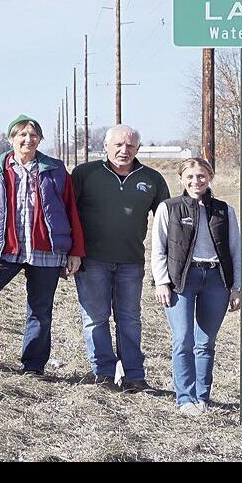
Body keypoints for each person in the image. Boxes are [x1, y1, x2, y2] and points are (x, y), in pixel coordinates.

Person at [0, 115, 85, 375]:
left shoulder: (55, 170)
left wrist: (75, 251)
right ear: (11, 139)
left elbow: (71, 210)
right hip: (3, 251)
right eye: (22, 135)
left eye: (33, 135)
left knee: (40, 311)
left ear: (39, 139)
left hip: (45, 252)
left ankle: (33, 366)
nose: (28, 140)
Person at [71, 125, 171, 392]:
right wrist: (71, 253)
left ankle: (133, 375)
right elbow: (67, 214)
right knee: (95, 318)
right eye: (117, 145)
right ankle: (103, 372)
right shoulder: (85, 174)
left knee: (129, 319)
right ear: (105, 146)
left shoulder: (151, 179)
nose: (123, 150)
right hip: (91, 261)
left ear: (138, 149)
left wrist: (166, 268)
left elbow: (167, 225)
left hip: (131, 261)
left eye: (130, 146)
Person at [152, 158, 241, 416]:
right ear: (181, 179)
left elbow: (235, 250)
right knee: (183, 340)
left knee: (205, 342)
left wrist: (236, 287)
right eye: (190, 176)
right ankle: (185, 398)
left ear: (210, 177)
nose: (196, 181)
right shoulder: (169, 208)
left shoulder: (225, 211)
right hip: (182, 280)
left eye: (201, 176)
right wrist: (162, 282)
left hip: (215, 280)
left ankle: (202, 397)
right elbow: (158, 249)